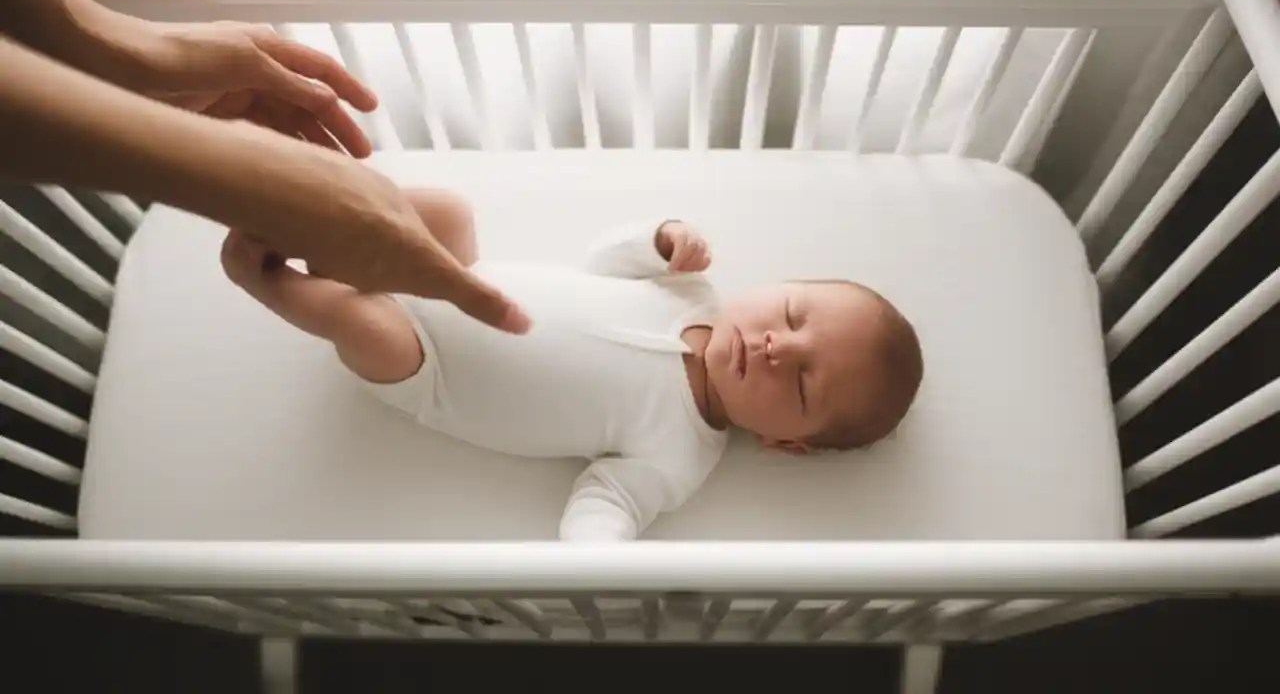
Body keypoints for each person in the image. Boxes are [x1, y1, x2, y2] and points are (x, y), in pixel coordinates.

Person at [220, 199, 925, 541]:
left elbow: (605, 503)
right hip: (458, 273)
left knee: (366, 325)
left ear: (784, 443)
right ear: (781, 283)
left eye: (800, 384)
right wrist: (659, 239)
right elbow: (602, 263)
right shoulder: (689, 290)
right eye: (793, 315)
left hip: (430, 369)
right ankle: (312, 220)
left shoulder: (678, 458)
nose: (776, 349)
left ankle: (265, 277)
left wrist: (597, 561)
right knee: (445, 211)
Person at [0, 0, 529, 334]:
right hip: (453, 334)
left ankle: (287, 268)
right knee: (429, 243)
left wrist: (115, 45)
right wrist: (250, 176)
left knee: (380, 319)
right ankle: (278, 278)